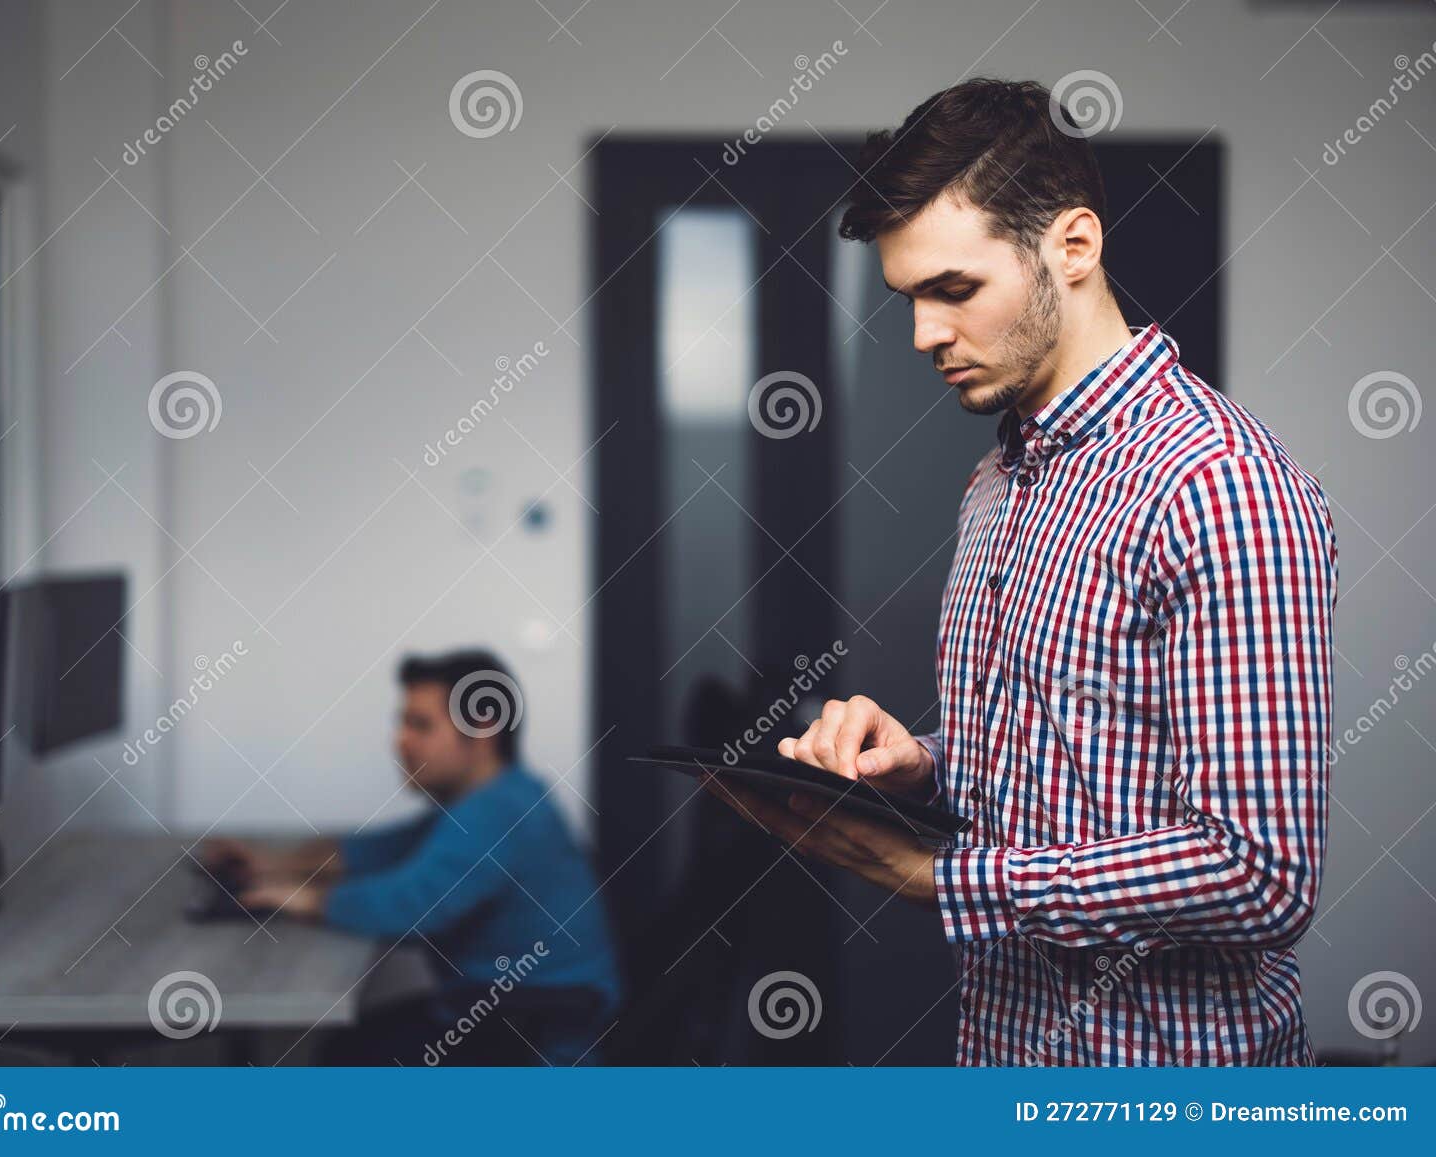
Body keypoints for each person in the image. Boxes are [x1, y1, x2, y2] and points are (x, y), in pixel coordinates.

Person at [706, 78, 1337, 1066]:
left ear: (1072, 247)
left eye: (953, 290)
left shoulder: (1219, 487)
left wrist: (945, 879)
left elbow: (1258, 873)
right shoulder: (999, 481)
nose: (922, 334)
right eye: (910, 297)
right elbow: (1088, 751)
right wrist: (921, 761)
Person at [201, 649, 620, 1065]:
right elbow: (382, 849)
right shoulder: (498, 796)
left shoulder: (500, 812)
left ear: (483, 727)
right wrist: (272, 864)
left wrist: (300, 898)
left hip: (536, 1034)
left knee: (346, 1057)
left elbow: (412, 907)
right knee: (349, 1047)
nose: (401, 740)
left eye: (420, 725)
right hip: (508, 1009)